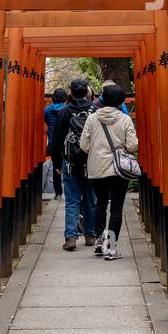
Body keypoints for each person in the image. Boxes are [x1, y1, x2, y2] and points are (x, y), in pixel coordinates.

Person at [80, 84, 138, 260]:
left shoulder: (92, 118)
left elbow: (84, 145)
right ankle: (111, 247)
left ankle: (98, 240)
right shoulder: (125, 119)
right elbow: (132, 145)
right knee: (117, 208)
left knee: (100, 204)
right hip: (118, 170)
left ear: (103, 99)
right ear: (121, 101)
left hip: (97, 168)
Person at [53, 80, 98, 251]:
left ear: (70, 92)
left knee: (72, 200)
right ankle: (90, 235)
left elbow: (56, 141)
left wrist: (57, 162)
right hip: (91, 161)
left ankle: (71, 237)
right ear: (87, 92)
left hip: (70, 161)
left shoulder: (64, 112)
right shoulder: (95, 111)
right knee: (90, 199)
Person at [43, 88, 67, 198]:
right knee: (69, 166)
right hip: (66, 142)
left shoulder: (47, 110)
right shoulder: (67, 110)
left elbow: (46, 121)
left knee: (56, 166)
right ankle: (69, 190)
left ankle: (58, 193)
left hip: (53, 142)